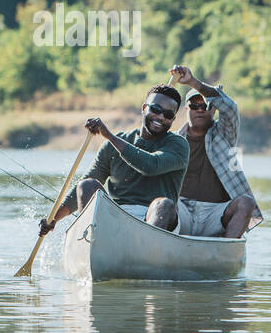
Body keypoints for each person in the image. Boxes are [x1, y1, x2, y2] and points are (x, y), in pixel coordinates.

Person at [37, 84, 189, 237]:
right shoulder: (114, 145)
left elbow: (151, 166)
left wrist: (109, 135)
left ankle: (146, 249)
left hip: (156, 220)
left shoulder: (178, 145)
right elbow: (82, 188)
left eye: (168, 115)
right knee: (87, 185)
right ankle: (90, 238)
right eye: (155, 109)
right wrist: (54, 219)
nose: (160, 117)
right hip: (117, 216)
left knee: (164, 204)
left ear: (173, 120)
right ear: (144, 108)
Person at [169, 64, 263, 239]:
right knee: (162, 203)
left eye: (205, 106)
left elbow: (230, 108)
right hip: (182, 210)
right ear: (186, 109)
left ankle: (226, 251)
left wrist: (192, 82)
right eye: (194, 105)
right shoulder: (173, 141)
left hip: (216, 214)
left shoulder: (224, 135)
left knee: (246, 202)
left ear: (214, 110)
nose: (200, 109)